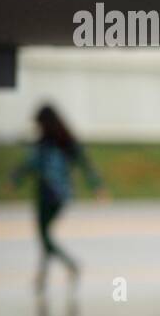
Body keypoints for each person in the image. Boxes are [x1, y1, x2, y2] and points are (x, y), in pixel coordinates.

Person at [8, 104, 106, 292]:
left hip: (50, 194)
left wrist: (15, 179)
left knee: (44, 236)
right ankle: (43, 276)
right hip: (57, 194)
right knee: (45, 235)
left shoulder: (55, 142)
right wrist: (97, 186)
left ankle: (70, 265)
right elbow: (85, 163)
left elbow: (32, 164)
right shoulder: (60, 141)